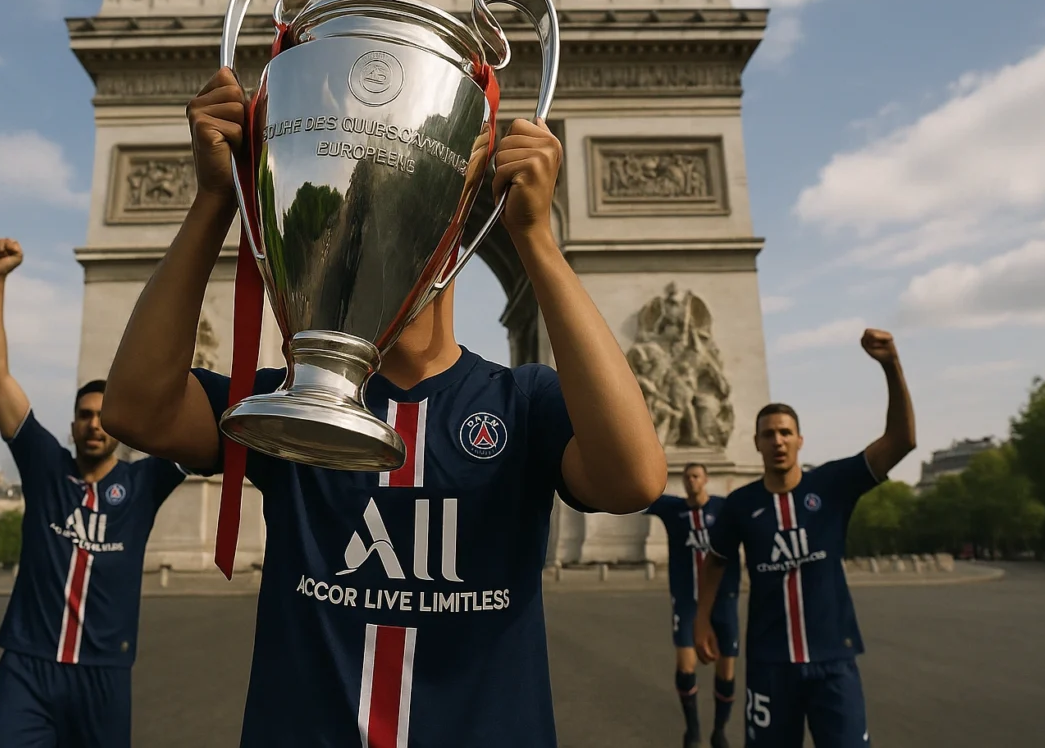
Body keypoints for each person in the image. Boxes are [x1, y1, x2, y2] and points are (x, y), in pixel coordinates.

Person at [100, 67, 669, 746]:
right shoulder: (293, 403)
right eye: (357, 234)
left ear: (455, 244)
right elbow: (135, 409)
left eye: (413, 225)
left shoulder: (525, 402)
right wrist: (215, 201)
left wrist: (537, 242)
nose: (380, 251)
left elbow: (634, 478)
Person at [0, 238, 214, 748]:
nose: (94, 425)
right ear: (71, 425)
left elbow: (206, 424)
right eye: (84, 415)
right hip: (28, 666)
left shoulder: (145, 483)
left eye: (104, 417)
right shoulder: (43, 466)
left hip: (104, 675)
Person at [693, 329, 916, 747]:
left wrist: (891, 365)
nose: (777, 440)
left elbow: (902, 441)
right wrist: (702, 618)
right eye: (768, 434)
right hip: (769, 663)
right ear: (756, 444)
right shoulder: (740, 504)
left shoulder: (832, 484)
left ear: (799, 440)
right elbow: (716, 559)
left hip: (834, 659)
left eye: (784, 432)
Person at [646, 462, 741, 748]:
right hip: (687, 599)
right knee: (686, 666)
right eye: (687, 477)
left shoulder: (725, 508)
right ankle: (693, 729)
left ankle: (719, 730)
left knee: (726, 670)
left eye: (696, 476)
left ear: (706, 480)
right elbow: (636, 495)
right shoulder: (673, 509)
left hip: (723, 600)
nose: (691, 481)